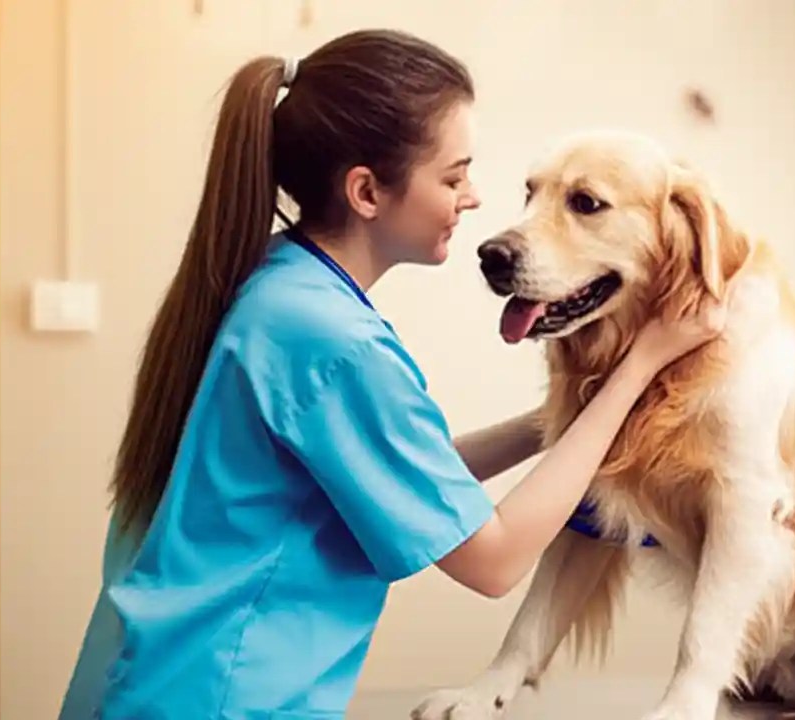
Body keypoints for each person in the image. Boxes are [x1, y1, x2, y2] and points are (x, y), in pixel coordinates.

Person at [58, 28, 726, 720]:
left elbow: (411, 478)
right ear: (367, 192)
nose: (474, 199)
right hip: (221, 700)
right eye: (454, 175)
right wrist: (639, 367)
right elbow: (491, 560)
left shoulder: (278, 286)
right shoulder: (333, 344)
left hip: (153, 685)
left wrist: (551, 423)